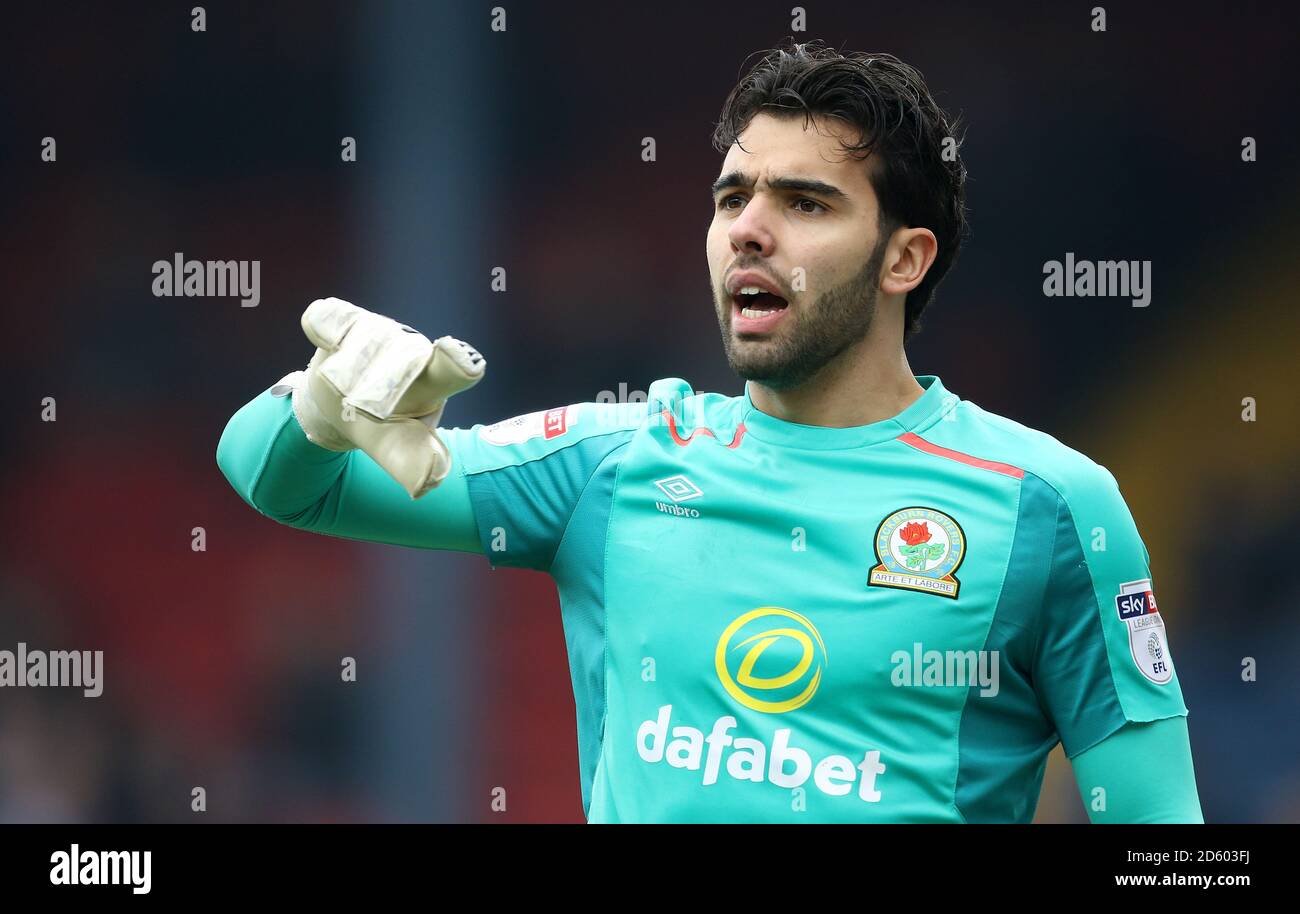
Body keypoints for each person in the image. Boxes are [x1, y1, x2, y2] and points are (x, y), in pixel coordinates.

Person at [217, 41, 1201, 823]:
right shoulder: (614, 462)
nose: (748, 228)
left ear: (904, 257)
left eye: (804, 202)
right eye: (732, 197)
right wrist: (320, 404)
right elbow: (277, 478)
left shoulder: (1048, 502)